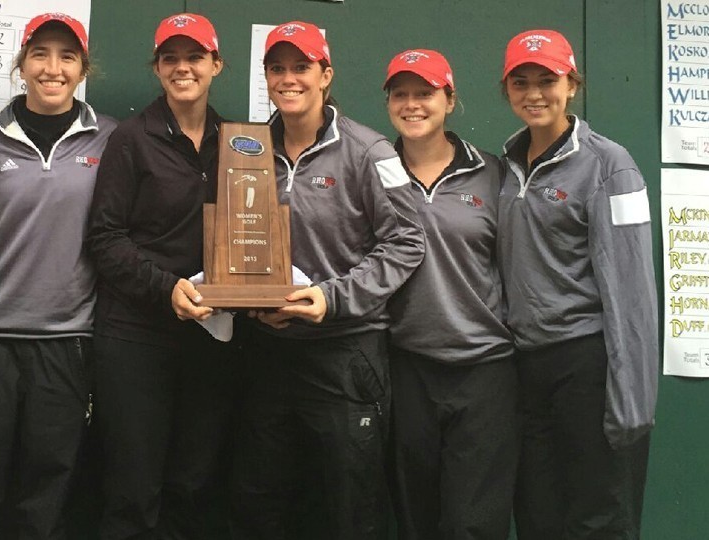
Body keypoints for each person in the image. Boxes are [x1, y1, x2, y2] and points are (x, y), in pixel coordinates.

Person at [230, 21, 425, 540]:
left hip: (344, 355)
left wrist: (331, 299)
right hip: (268, 352)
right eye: (277, 68)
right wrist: (248, 300)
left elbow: (407, 242)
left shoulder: (371, 151)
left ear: (326, 75)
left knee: (347, 508)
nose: (288, 78)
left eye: (302, 67)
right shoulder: (246, 149)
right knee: (262, 504)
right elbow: (238, 242)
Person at [0, 12, 116, 539]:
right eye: (40, 55)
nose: (52, 68)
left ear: (83, 69)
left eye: (67, 57)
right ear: (21, 65)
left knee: (48, 491)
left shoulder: (109, 139)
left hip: (66, 339)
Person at [497, 29, 657, 539]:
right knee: (538, 517)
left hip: (587, 365)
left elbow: (633, 291)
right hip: (525, 368)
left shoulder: (611, 165)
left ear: (572, 85)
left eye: (547, 80)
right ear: (506, 89)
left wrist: (631, 401)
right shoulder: (505, 166)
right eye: (521, 82)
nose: (534, 93)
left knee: (598, 517)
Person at [86, 12, 239, 540]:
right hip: (136, 335)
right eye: (170, 58)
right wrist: (164, 287)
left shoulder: (237, 141)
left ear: (216, 64)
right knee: (133, 486)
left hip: (211, 336)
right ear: (156, 68)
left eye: (195, 56)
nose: (182, 67)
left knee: (193, 484)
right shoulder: (131, 139)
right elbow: (105, 238)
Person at [382, 49, 517, 540]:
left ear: (450, 99)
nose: (412, 104)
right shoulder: (374, 170)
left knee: (472, 524)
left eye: (425, 93)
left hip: (484, 369)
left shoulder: (493, 173)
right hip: (406, 366)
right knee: (414, 518)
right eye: (401, 94)